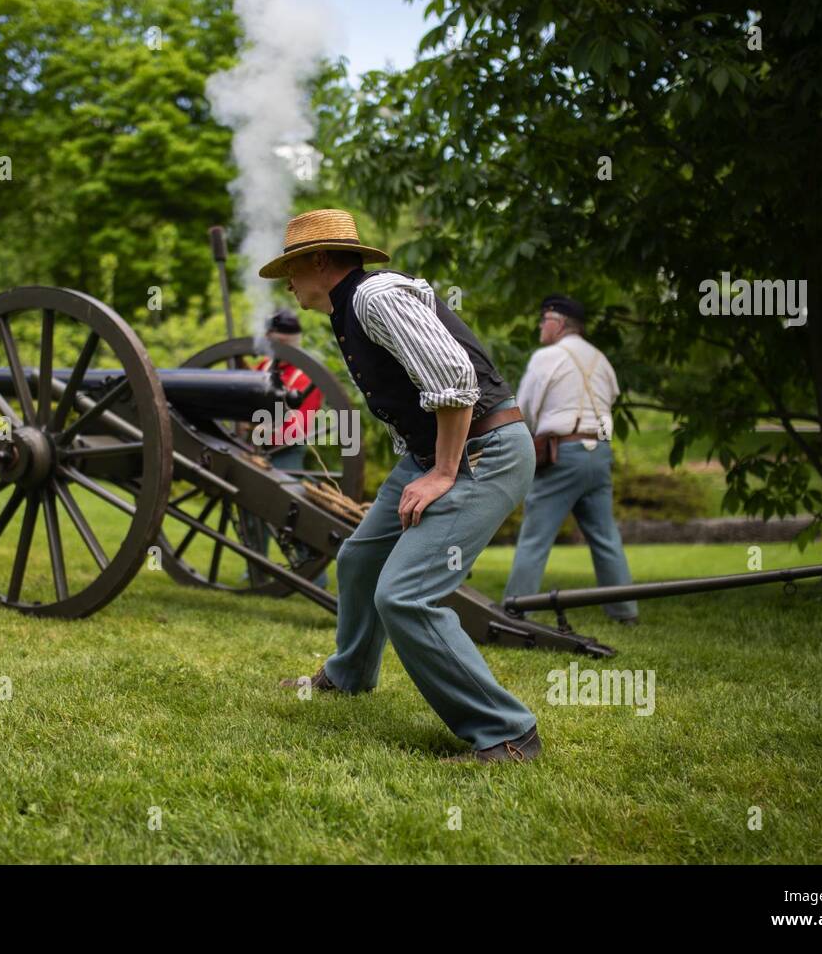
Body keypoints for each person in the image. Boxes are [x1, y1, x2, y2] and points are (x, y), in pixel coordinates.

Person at [264, 208, 541, 763]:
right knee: (359, 559)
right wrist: (422, 466)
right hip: (433, 455)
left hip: (483, 453)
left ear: (320, 261)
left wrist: (441, 472)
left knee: (405, 596)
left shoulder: (375, 298)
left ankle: (508, 734)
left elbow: (455, 379)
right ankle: (350, 676)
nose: (288, 283)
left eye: (292, 268)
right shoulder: (351, 310)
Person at [504, 294, 638, 623]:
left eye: (543, 320)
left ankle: (515, 611)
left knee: (535, 537)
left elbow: (525, 411)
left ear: (558, 323)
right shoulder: (601, 360)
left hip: (562, 454)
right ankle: (625, 611)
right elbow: (612, 397)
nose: (539, 326)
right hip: (599, 451)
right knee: (605, 536)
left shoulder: (546, 358)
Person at [248, 309, 328, 588]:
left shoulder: (305, 377)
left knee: (292, 512)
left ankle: (314, 576)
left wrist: (269, 433)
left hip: (286, 454)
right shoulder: (261, 369)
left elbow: (302, 424)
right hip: (255, 452)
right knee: (248, 508)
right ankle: (254, 568)